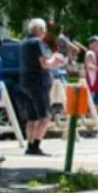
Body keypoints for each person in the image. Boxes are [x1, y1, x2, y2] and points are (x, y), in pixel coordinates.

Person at [19, 18, 64, 156]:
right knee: (45, 116)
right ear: (39, 30)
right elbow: (44, 63)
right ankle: (35, 146)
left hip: (25, 81)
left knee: (32, 118)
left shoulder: (24, 43)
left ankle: (29, 144)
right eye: (43, 31)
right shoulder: (37, 43)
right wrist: (55, 61)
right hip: (38, 82)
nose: (44, 34)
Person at [83, 36, 98, 110]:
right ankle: (90, 120)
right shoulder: (90, 53)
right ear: (92, 44)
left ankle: (92, 120)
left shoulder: (97, 54)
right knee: (93, 107)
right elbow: (88, 66)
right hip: (94, 86)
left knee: (96, 107)